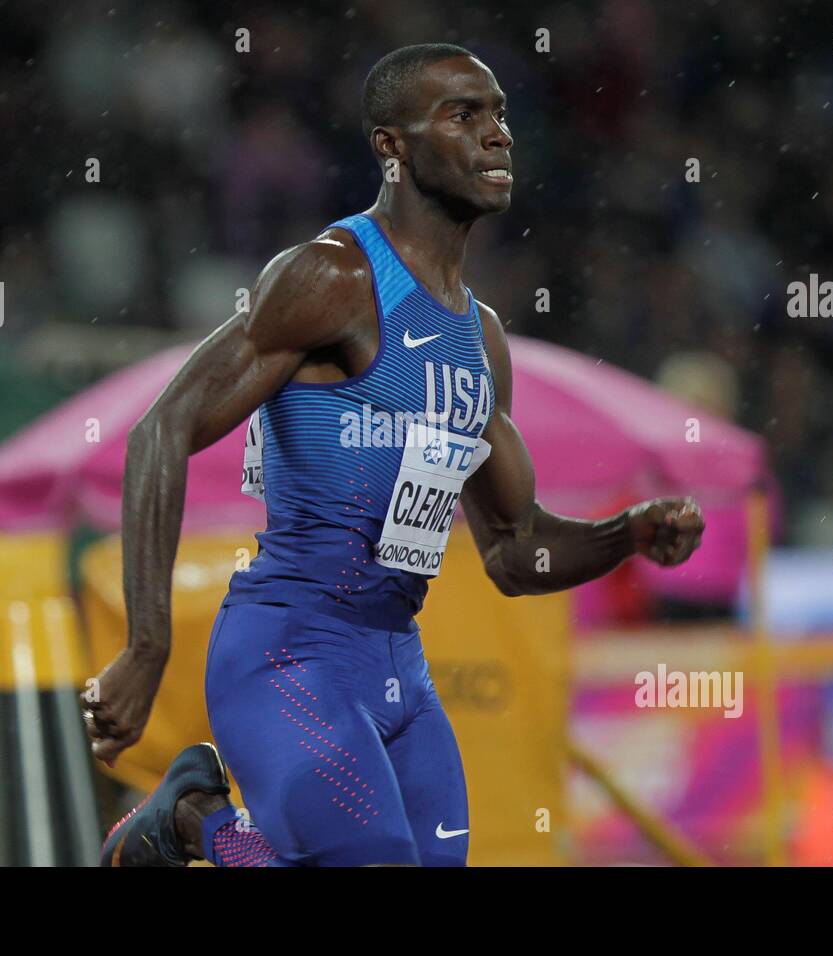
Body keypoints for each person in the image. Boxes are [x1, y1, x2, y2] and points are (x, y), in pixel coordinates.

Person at [84, 44, 704, 867]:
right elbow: (159, 431)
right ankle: (194, 821)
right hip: (288, 651)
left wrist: (626, 533)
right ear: (392, 147)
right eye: (463, 114)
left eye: (499, 113)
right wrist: (146, 646)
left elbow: (516, 554)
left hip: (397, 666)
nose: (497, 135)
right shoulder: (331, 279)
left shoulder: (480, 340)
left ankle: (191, 824)